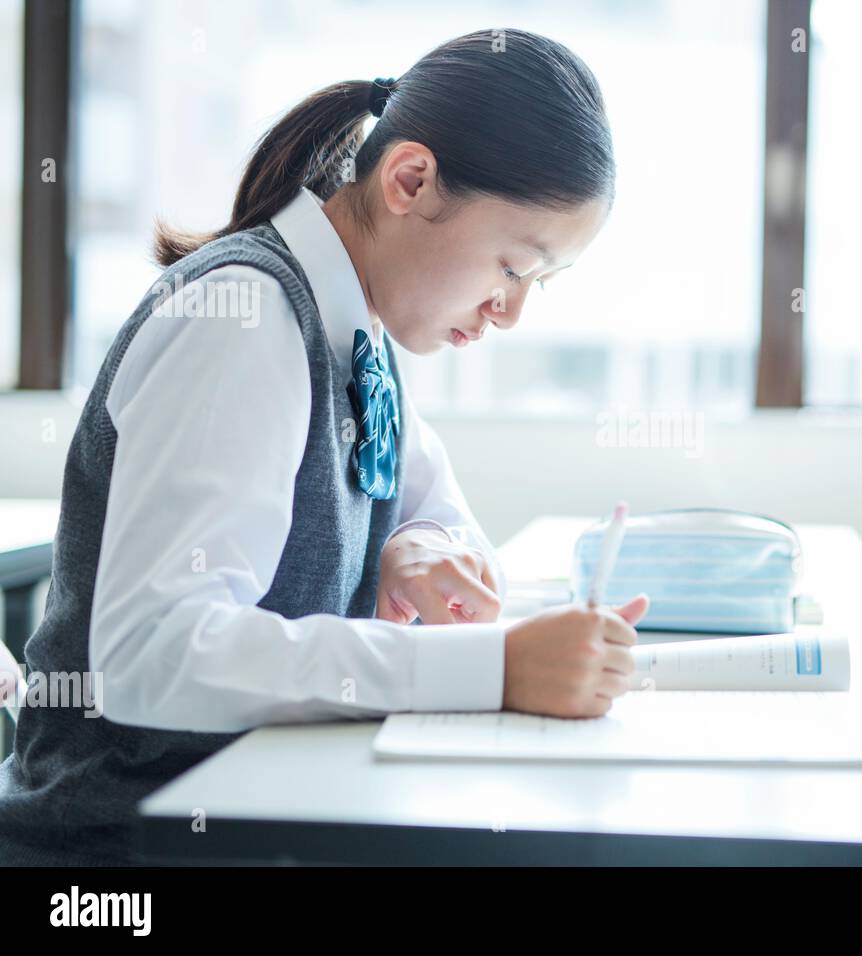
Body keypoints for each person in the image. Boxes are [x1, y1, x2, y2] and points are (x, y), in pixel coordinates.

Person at [0, 28, 648, 866]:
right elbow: (156, 654)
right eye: (514, 267)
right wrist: (493, 668)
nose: (511, 312)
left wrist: (420, 545)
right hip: (118, 854)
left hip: (266, 818)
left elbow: (435, 511)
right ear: (410, 180)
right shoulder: (243, 322)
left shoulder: (357, 328)